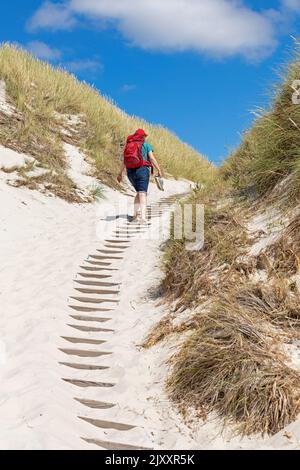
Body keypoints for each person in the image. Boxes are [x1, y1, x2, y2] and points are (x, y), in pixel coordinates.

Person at [117, 129, 162, 224]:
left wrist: (120, 173)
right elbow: (152, 158)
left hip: (130, 172)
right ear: (143, 136)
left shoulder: (129, 145)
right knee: (142, 193)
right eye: (144, 136)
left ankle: (134, 216)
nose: (145, 138)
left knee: (139, 192)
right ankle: (143, 218)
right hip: (142, 170)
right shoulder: (146, 145)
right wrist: (159, 169)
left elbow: (124, 161)